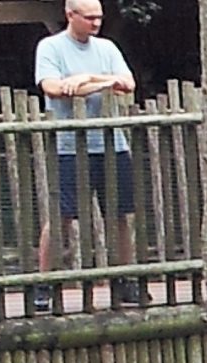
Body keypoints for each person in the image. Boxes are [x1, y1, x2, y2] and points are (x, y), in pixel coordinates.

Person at [33, 0, 136, 315]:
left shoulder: (107, 48)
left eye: (99, 18)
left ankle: (126, 279)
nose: (95, 23)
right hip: (70, 146)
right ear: (70, 15)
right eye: (89, 17)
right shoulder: (50, 47)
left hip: (111, 144)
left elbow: (128, 84)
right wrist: (103, 83)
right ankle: (45, 284)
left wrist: (88, 79)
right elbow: (53, 87)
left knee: (120, 214)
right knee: (62, 216)